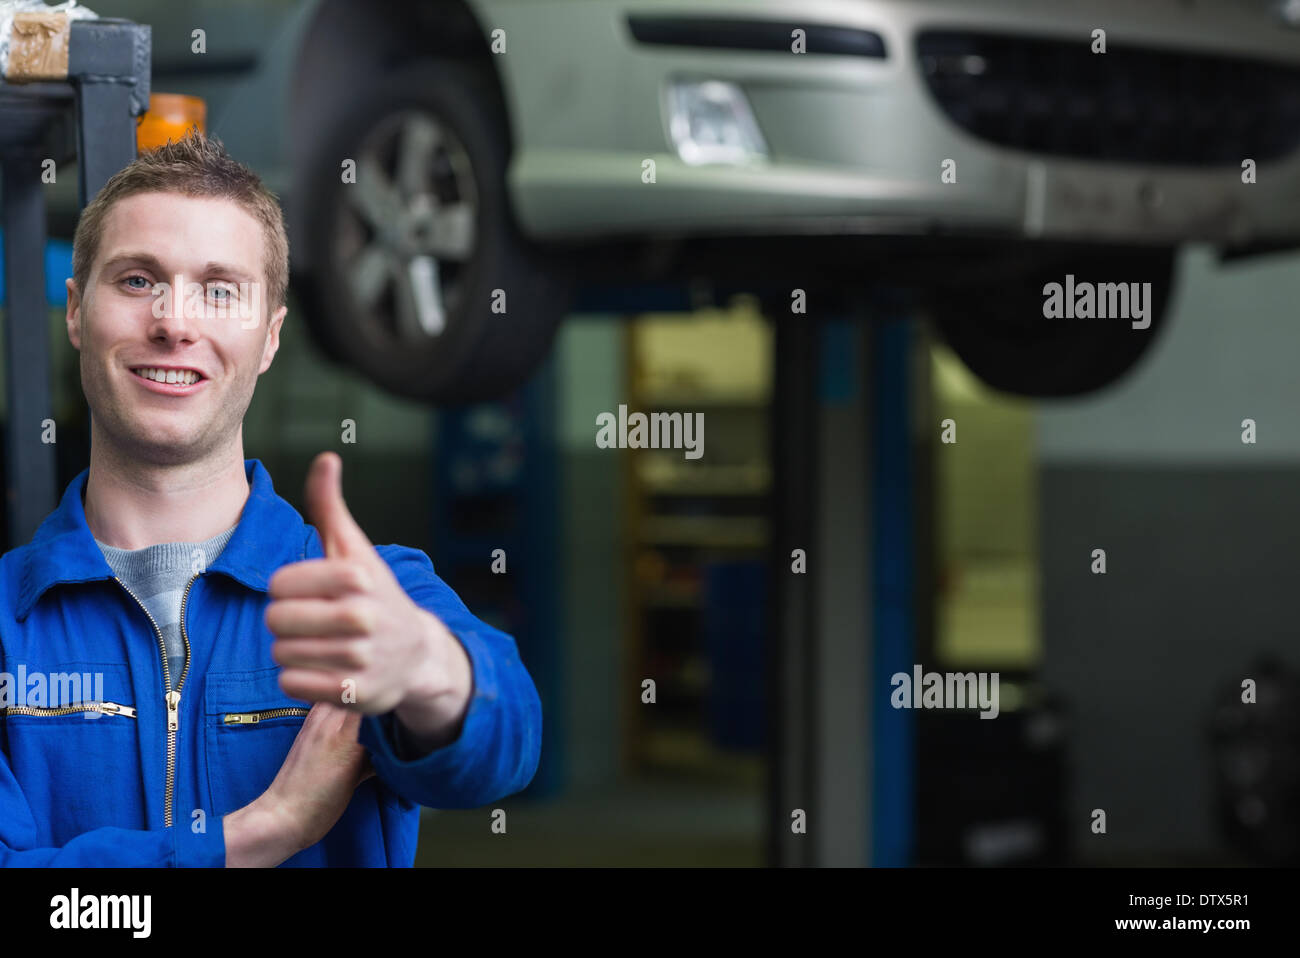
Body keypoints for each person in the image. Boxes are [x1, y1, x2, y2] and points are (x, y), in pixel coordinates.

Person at [0, 132, 541, 866]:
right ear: (73, 311)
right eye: (136, 280)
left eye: (220, 290)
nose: (174, 321)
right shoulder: (7, 624)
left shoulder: (363, 600)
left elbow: (506, 745)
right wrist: (259, 833)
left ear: (270, 337)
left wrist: (425, 665)